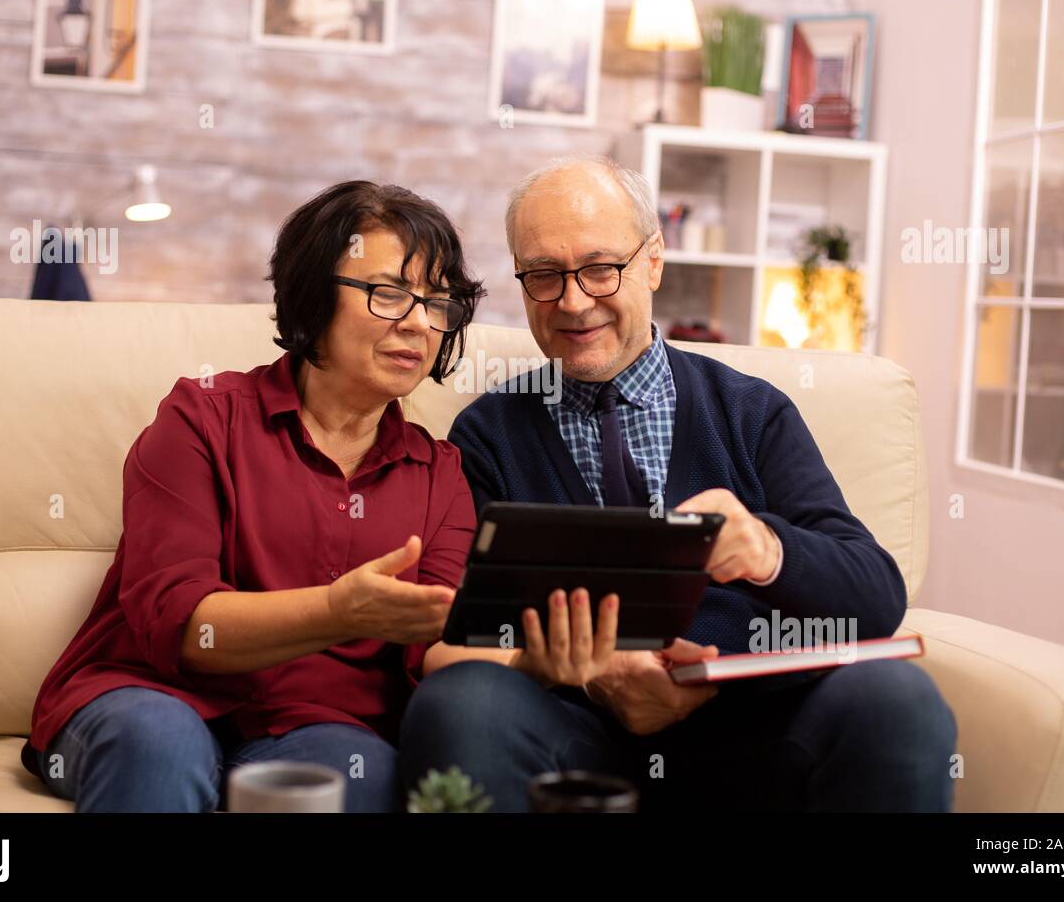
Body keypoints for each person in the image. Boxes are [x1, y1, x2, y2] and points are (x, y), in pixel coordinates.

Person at [400, 155, 959, 813]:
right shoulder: (488, 436)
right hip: (573, 740)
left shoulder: (752, 413)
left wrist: (767, 550)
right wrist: (595, 674)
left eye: (602, 268)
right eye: (545, 276)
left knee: (897, 698)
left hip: (755, 736)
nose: (574, 302)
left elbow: (875, 597)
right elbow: (469, 631)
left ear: (654, 262)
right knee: (459, 704)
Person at [20, 180, 490, 812]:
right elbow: (182, 626)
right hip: (151, 697)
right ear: (311, 296)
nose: (417, 322)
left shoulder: (439, 475)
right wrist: (338, 611)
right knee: (159, 744)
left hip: (317, 728)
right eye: (388, 293)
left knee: (362, 776)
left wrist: (552, 655)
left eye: (438, 302)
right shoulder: (202, 420)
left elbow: (436, 640)